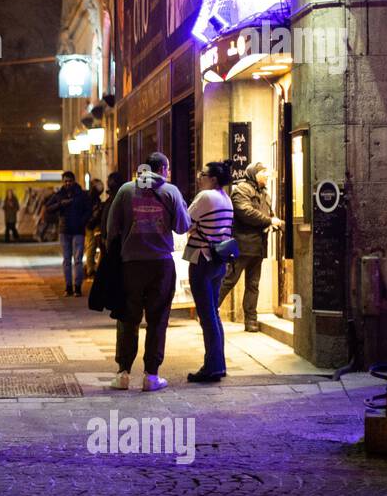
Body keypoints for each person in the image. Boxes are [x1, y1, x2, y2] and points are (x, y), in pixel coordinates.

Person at [105, 152, 190, 392]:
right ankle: (151, 376)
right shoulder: (170, 191)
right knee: (157, 319)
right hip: (160, 264)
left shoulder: (125, 190)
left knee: (126, 318)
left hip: (130, 264)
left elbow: (111, 229)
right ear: (163, 169)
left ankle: (123, 374)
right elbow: (183, 226)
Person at [185, 162, 235, 383]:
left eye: (203, 174)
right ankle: (218, 363)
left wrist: (195, 228)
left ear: (213, 178)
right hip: (218, 260)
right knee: (213, 312)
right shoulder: (226, 198)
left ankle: (212, 367)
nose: (199, 178)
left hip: (202, 259)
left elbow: (185, 221)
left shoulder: (206, 197)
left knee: (206, 315)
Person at [219, 161, 283, 332]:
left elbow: (268, 214)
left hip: (259, 245)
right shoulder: (241, 190)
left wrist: (272, 222)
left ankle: (251, 320)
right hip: (242, 244)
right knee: (229, 280)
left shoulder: (265, 194)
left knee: (253, 284)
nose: (267, 176)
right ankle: (208, 311)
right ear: (254, 174)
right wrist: (269, 220)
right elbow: (245, 212)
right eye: (263, 173)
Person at [49, 171, 91, 296]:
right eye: (65, 181)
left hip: (78, 230)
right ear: (63, 182)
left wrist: (82, 221)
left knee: (77, 260)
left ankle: (77, 286)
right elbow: (48, 208)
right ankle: (68, 287)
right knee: (66, 260)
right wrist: (60, 204)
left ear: (74, 181)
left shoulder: (81, 194)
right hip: (64, 230)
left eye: (70, 181)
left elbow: (88, 209)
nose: (68, 183)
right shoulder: (59, 194)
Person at [84, 179, 105, 277]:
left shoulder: (92, 198)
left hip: (92, 224)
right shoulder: (92, 199)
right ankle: (90, 269)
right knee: (92, 247)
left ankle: (91, 268)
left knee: (92, 247)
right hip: (91, 225)